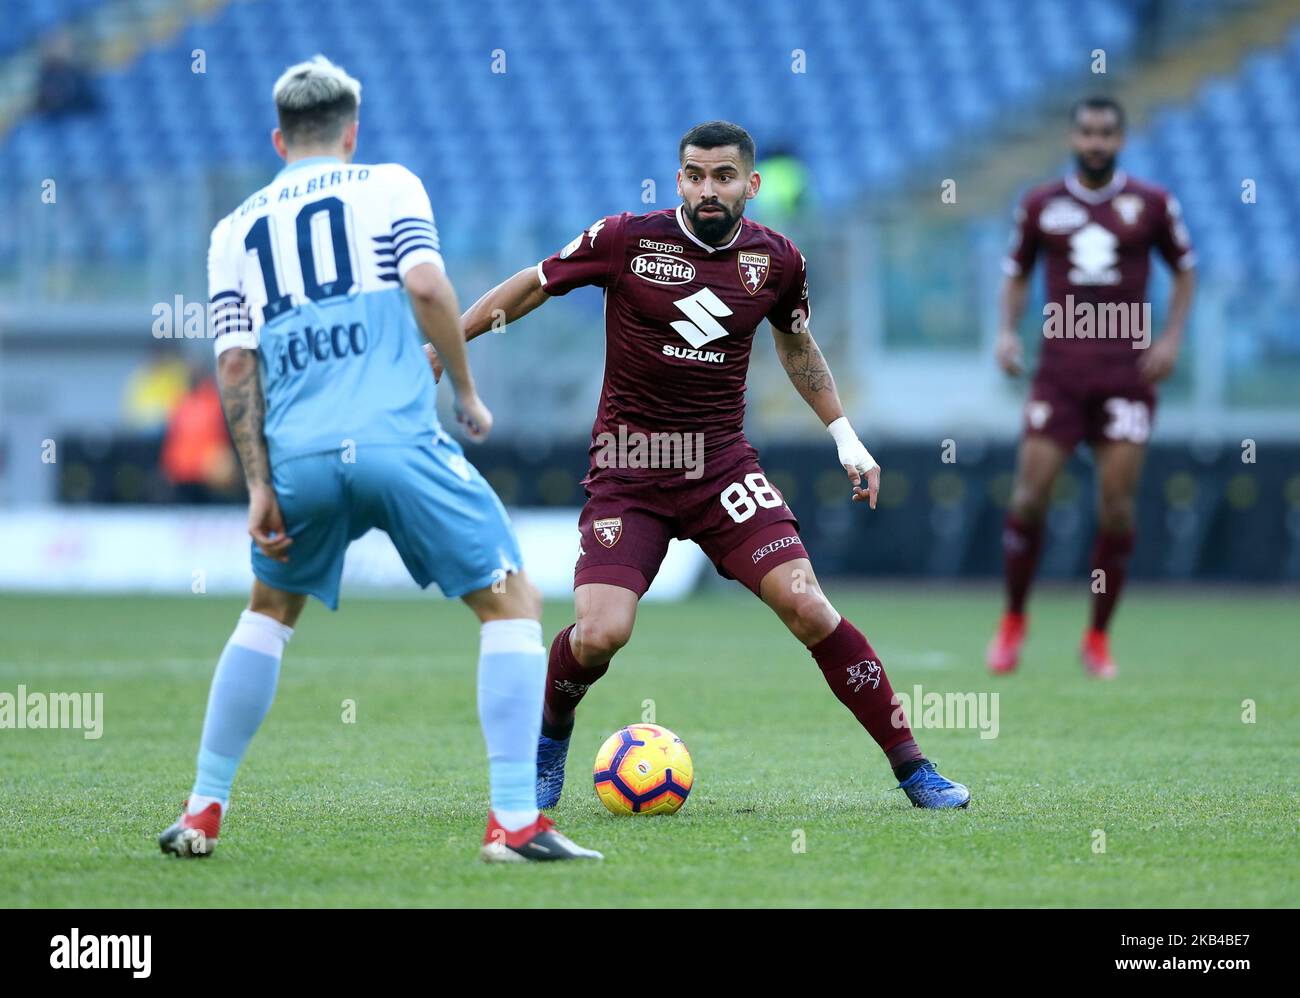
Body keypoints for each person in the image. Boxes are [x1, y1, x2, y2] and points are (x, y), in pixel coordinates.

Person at [433, 120, 971, 811]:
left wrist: (843, 432)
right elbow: (533, 285)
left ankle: (914, 769)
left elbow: (798, 345)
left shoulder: (777, 261)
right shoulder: (627, 238)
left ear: (750, 183)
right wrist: (447, 346)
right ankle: (550, 735)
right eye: (694, 174)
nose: (707, 189)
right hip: (630, 469)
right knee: (600, 634)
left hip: (721, 469)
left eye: (723, 176)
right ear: (679, 178)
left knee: (808, 606)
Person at [158, 55, 600, 863]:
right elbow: (428, 286)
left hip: (297, 460)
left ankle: (202, 810)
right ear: (352, 132)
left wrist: (258, 484)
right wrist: (464, 390)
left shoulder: (233, 232)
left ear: (278, 139)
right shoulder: (388, 185)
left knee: (267, 612)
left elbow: (232, 366)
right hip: (399, 441)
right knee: (513, 601)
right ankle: (513, 822)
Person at [988, 96, 1196, 679]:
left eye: (1106, 133)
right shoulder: (1040, 204)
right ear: (1072, 138)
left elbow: (1186, 268)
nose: (1096, 142)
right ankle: (1013, 622)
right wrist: (1006, 333)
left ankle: (1098, 636)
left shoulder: (1152, 204)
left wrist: (1173, 338)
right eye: (1087, 132)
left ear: (1121, 139)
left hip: (1127, 375)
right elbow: (1016, 274)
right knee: (1030, 496)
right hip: (1059, 373)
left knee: (1117, 507)